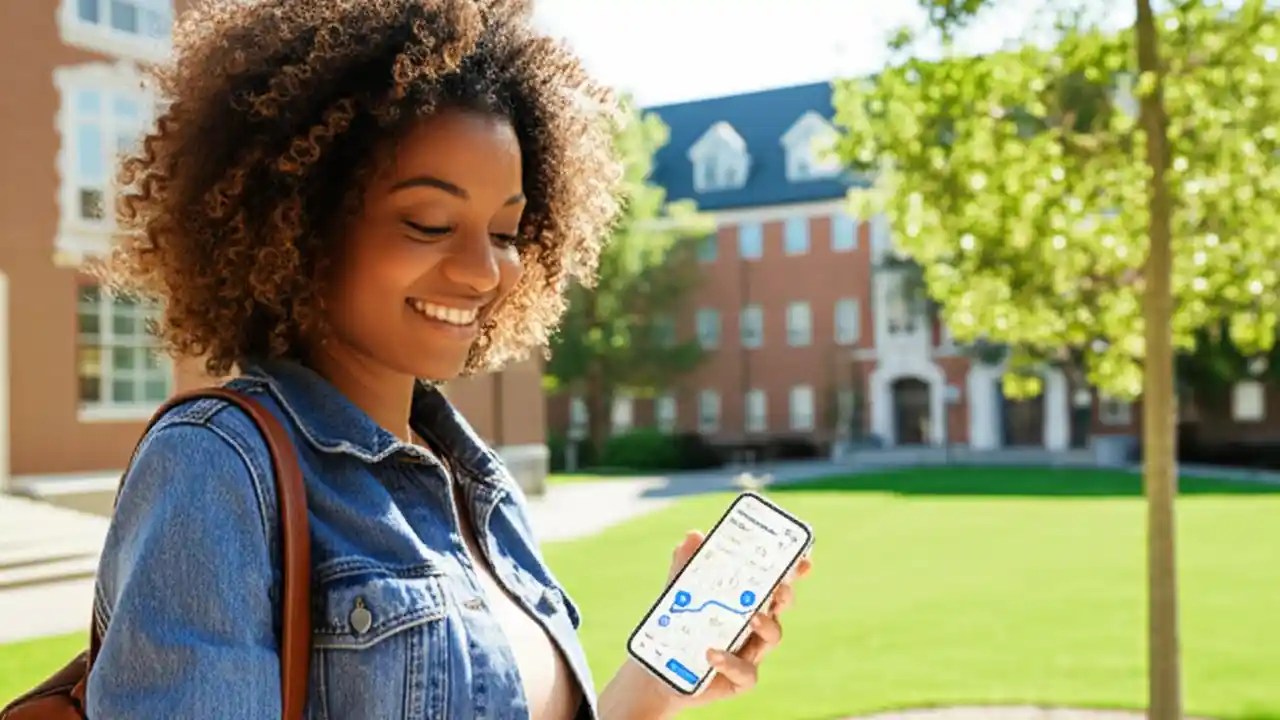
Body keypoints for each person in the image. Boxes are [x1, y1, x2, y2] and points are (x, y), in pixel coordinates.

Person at [87, 1, 812, 718]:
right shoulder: (217, 468)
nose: (484, 271)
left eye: (505, 231)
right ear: (303, 224)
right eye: (429, 223)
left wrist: (654, 688)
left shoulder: (477, 488)